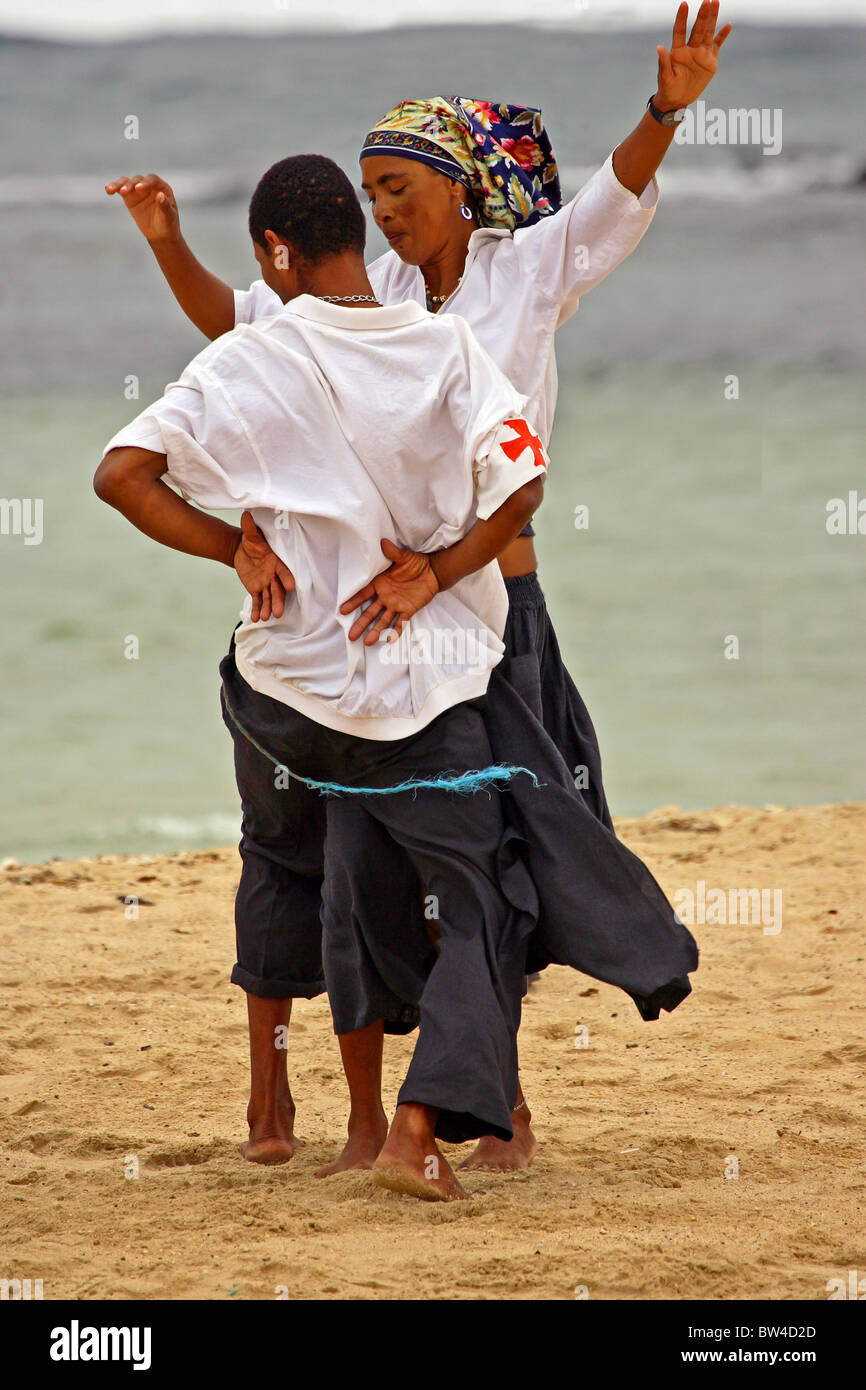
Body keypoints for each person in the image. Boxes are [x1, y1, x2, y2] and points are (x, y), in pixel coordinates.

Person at [104, 0, 726, 1171]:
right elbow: (245, 320)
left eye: (399, 185)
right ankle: (420, 1112)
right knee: (421, 857)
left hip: (496, 603)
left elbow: (611, 200)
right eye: (371, 189)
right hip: (386, 623)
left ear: (459, 187)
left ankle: (502, 1109)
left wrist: (661, 109)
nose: (384, 207)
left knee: (524, 843)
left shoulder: (529, 267)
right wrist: (163, 243)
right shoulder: (372, 289)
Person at [95, 152, 556, 1201]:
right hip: (421, 688)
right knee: (482, 903)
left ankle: (317, 1120)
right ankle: (414, 1129)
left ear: (273, 253)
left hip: (290, 701)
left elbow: (120, 476)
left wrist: (232, 551)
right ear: (357, 233)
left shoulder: (247, 357)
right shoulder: (442, 346)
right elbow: (522, 489)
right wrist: (432, 573)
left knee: (320, 880)